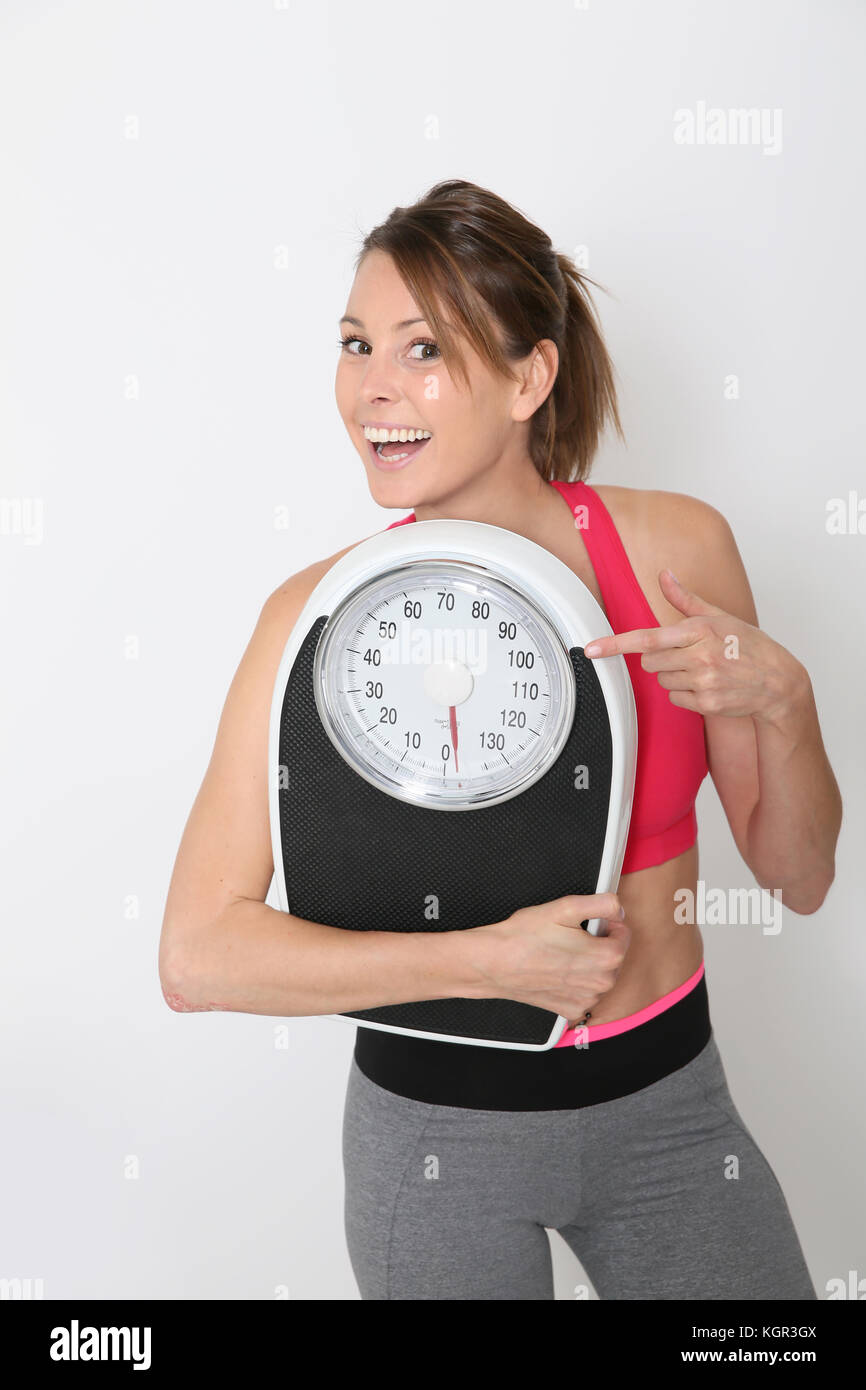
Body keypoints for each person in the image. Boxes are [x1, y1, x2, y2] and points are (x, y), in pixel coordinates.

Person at [159, 179, 841, 1300]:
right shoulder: (310, 619)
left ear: (529, 376)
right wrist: (479, 963)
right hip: (433, 1143)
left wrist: (787, 705)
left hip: (672, 1120)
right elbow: (196, 954)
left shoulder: (674, 556)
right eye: (354, 343)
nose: (372, 386)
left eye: (421, 348)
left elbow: (797, 874)